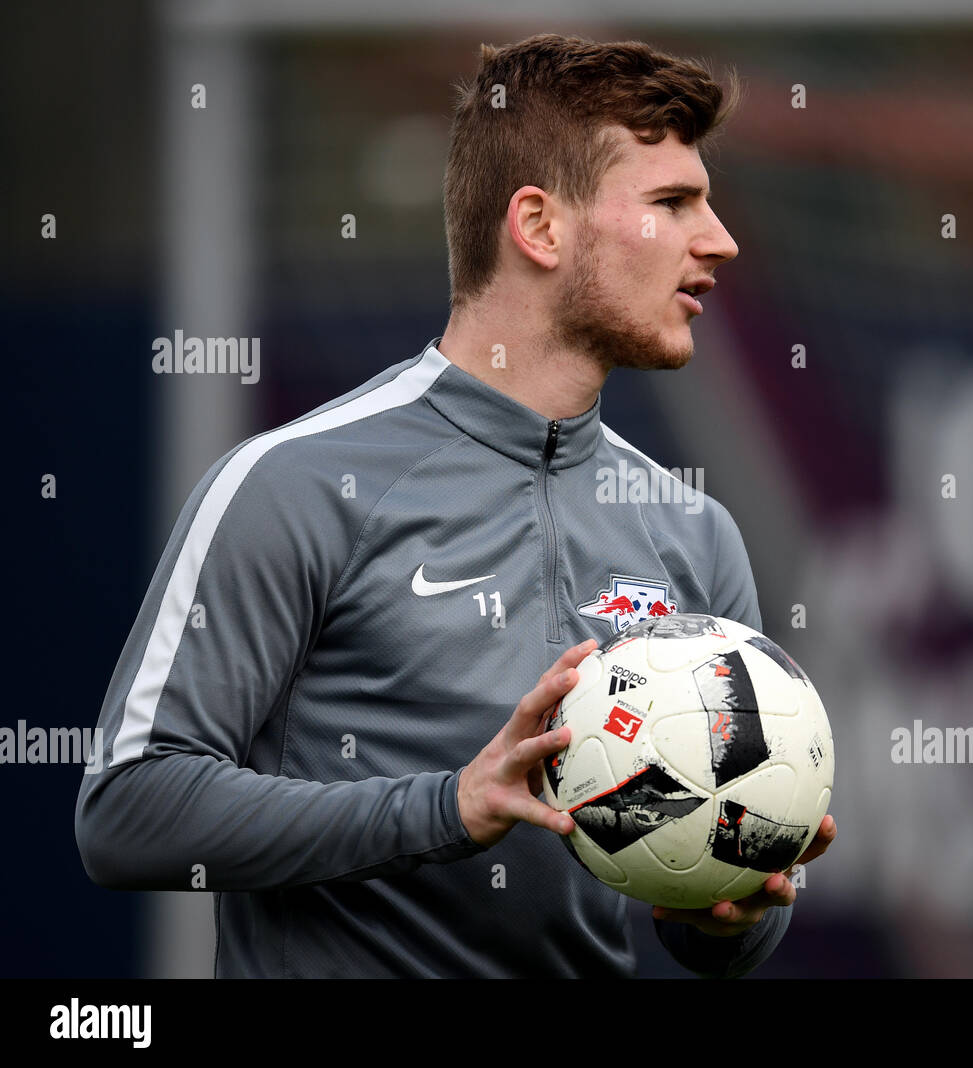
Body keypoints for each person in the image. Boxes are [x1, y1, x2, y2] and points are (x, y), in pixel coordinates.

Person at [75, 32, 835, 978]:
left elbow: (710, 934)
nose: (719, 239)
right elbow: (128, 813)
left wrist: (732, 908)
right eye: (672, 203)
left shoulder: (693, 530)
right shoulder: (295, 484)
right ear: (540, 227)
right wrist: (448, 807)